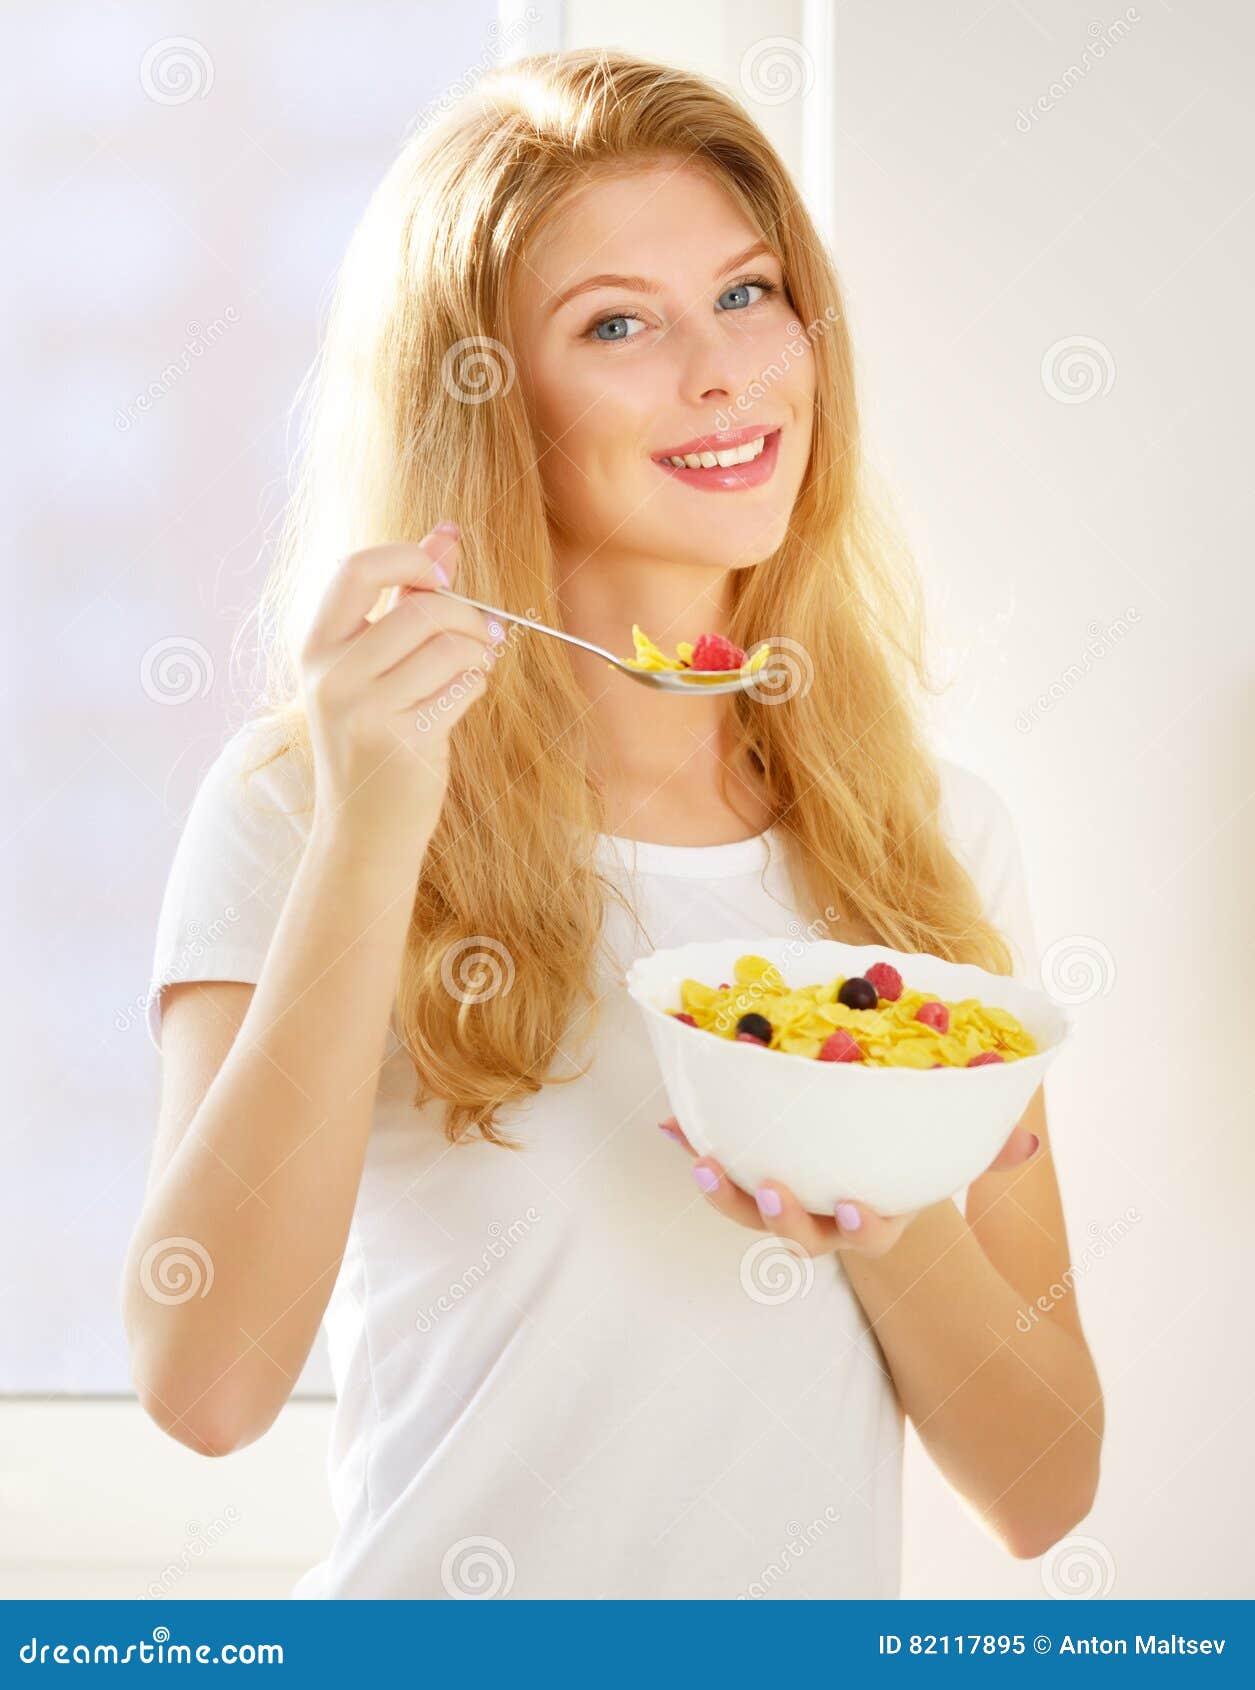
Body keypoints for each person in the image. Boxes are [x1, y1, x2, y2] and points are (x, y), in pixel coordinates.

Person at [121, 47, 1103, 1600]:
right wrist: (378, 824)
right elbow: (206, 1383)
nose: (723, 371)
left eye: (751, 290)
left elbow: (1050, 1484)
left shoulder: (934, 840)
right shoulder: (304, 802)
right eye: (619, 324)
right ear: (487, 402)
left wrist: (875, 1205)